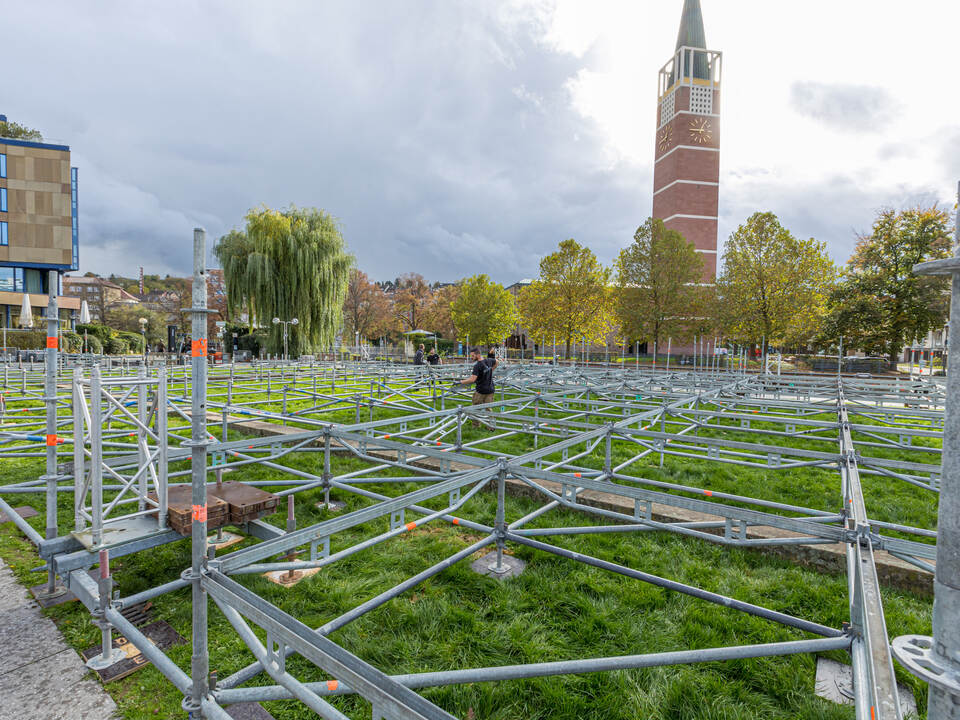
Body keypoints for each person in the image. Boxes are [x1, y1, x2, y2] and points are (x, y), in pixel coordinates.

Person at [457, 347, 495, 426]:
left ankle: (476, 425)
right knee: (488, 408)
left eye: (473, 356)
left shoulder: (477, 365)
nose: (471, 357)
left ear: (478, 355)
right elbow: (497, 362)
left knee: (475, 408)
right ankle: (491, 425)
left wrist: (460, 382)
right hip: (490, 389)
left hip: (481, 391)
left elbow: (472, 379)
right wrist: (491, 370)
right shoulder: (489, 360)